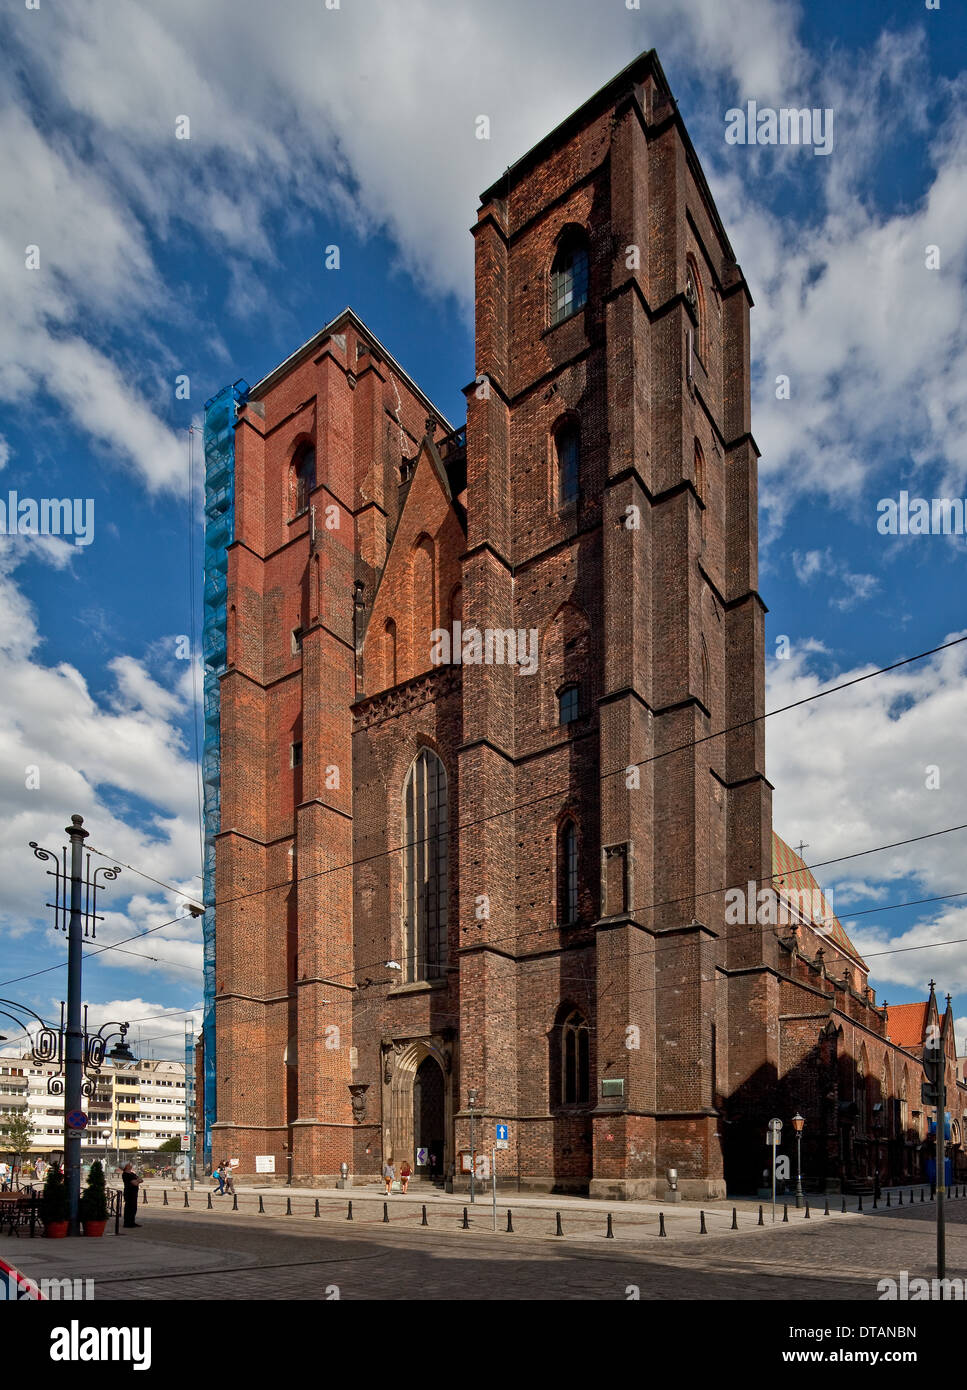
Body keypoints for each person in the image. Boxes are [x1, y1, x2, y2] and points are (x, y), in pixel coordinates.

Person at [122, 1163, 142, 1228]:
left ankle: (132, 1222)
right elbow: (135, 1183)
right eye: (128, 1165)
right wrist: (137, 1181)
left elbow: (141, 1180)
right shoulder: (125, 1174)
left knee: (134, 1208)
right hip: (129, 1192)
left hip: (134, 1192)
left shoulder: (132, 1174)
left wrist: (137, 1181)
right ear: (126, 1167)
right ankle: (127, 1223)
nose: (131, 1165)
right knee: (129, 1208)